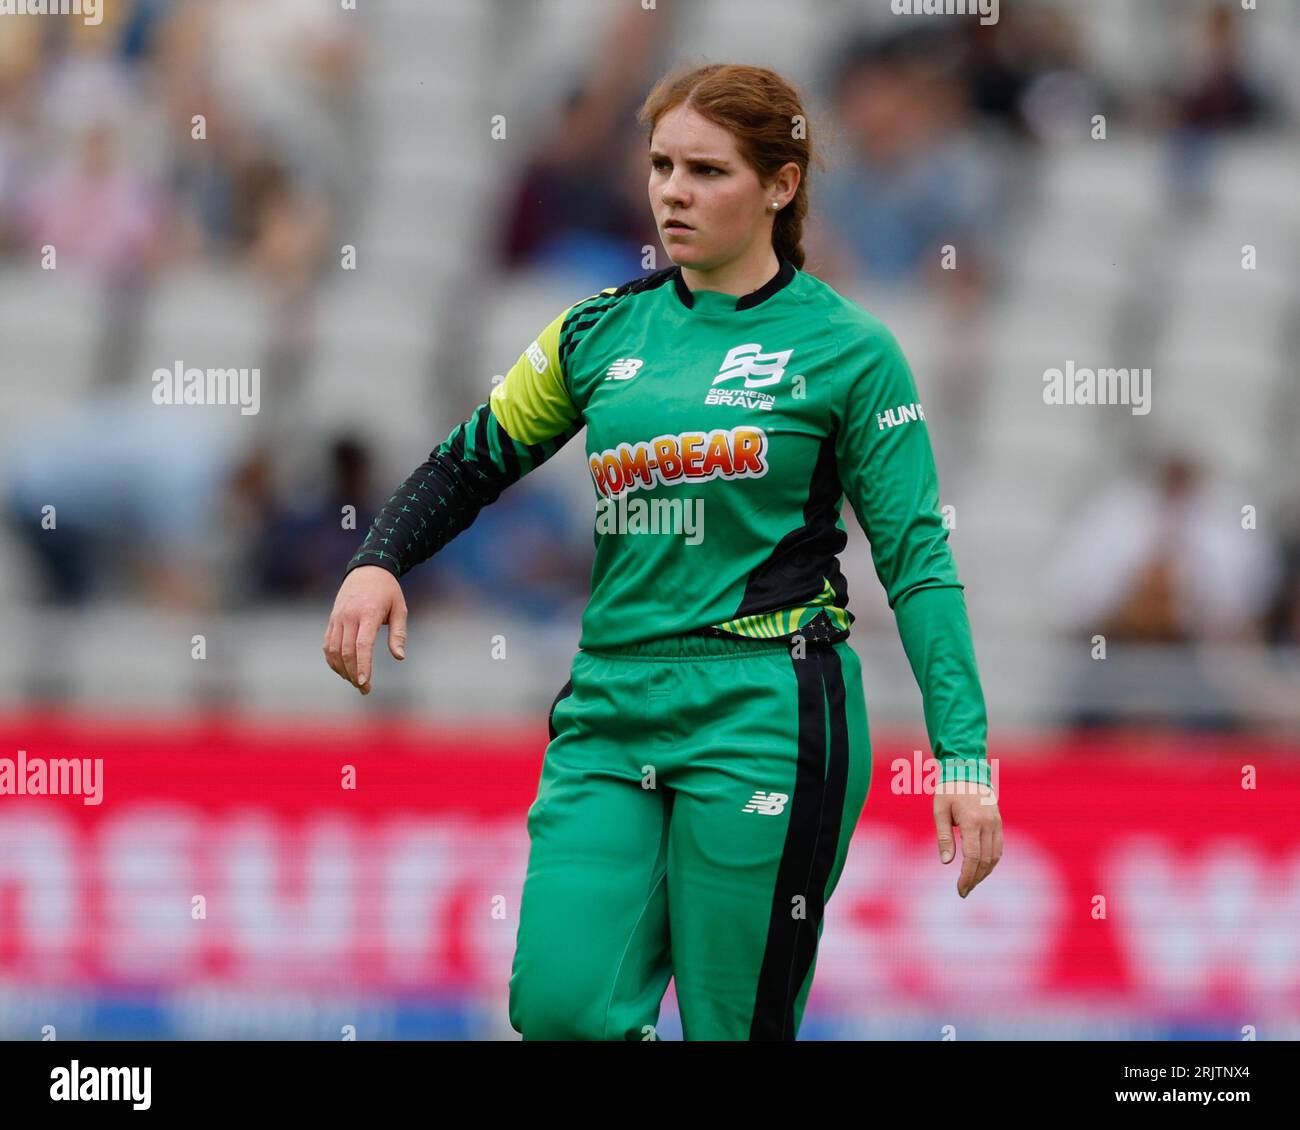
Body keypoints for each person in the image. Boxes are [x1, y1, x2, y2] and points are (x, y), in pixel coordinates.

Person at [323, 63, 1002, 1041]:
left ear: (781, 185)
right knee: (558, 1007)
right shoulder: (598, 330)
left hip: (769, 704)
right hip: (610, 707)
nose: (674, 191)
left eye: (707, 170)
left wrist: (964, 755)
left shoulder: (849, 350)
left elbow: (918, 559)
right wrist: (378, 559)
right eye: (661, 165)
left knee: (732, 1026)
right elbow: (467, 463)